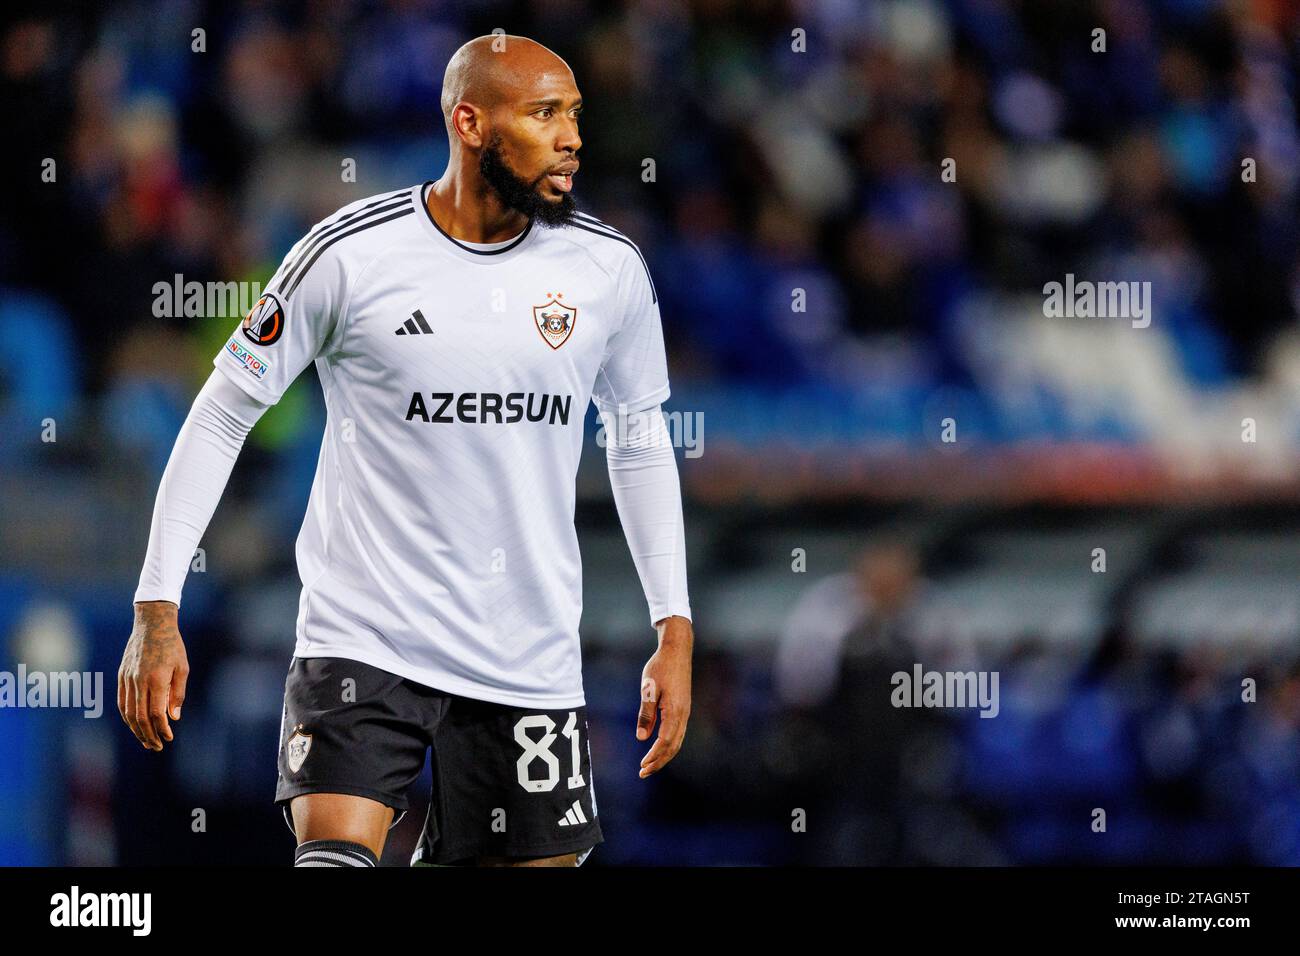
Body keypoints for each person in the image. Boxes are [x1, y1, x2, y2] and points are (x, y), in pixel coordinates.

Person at [119, 34, 694, 868]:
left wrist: (672, 625)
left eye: (574, 115)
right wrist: (155, 608)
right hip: (365, 634)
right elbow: (220, 416)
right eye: (543, 115)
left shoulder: (608, 270)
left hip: (525, 649)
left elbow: (640, 441)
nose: (572, 137)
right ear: (469, 122)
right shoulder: (350, 255)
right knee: (334, 858)